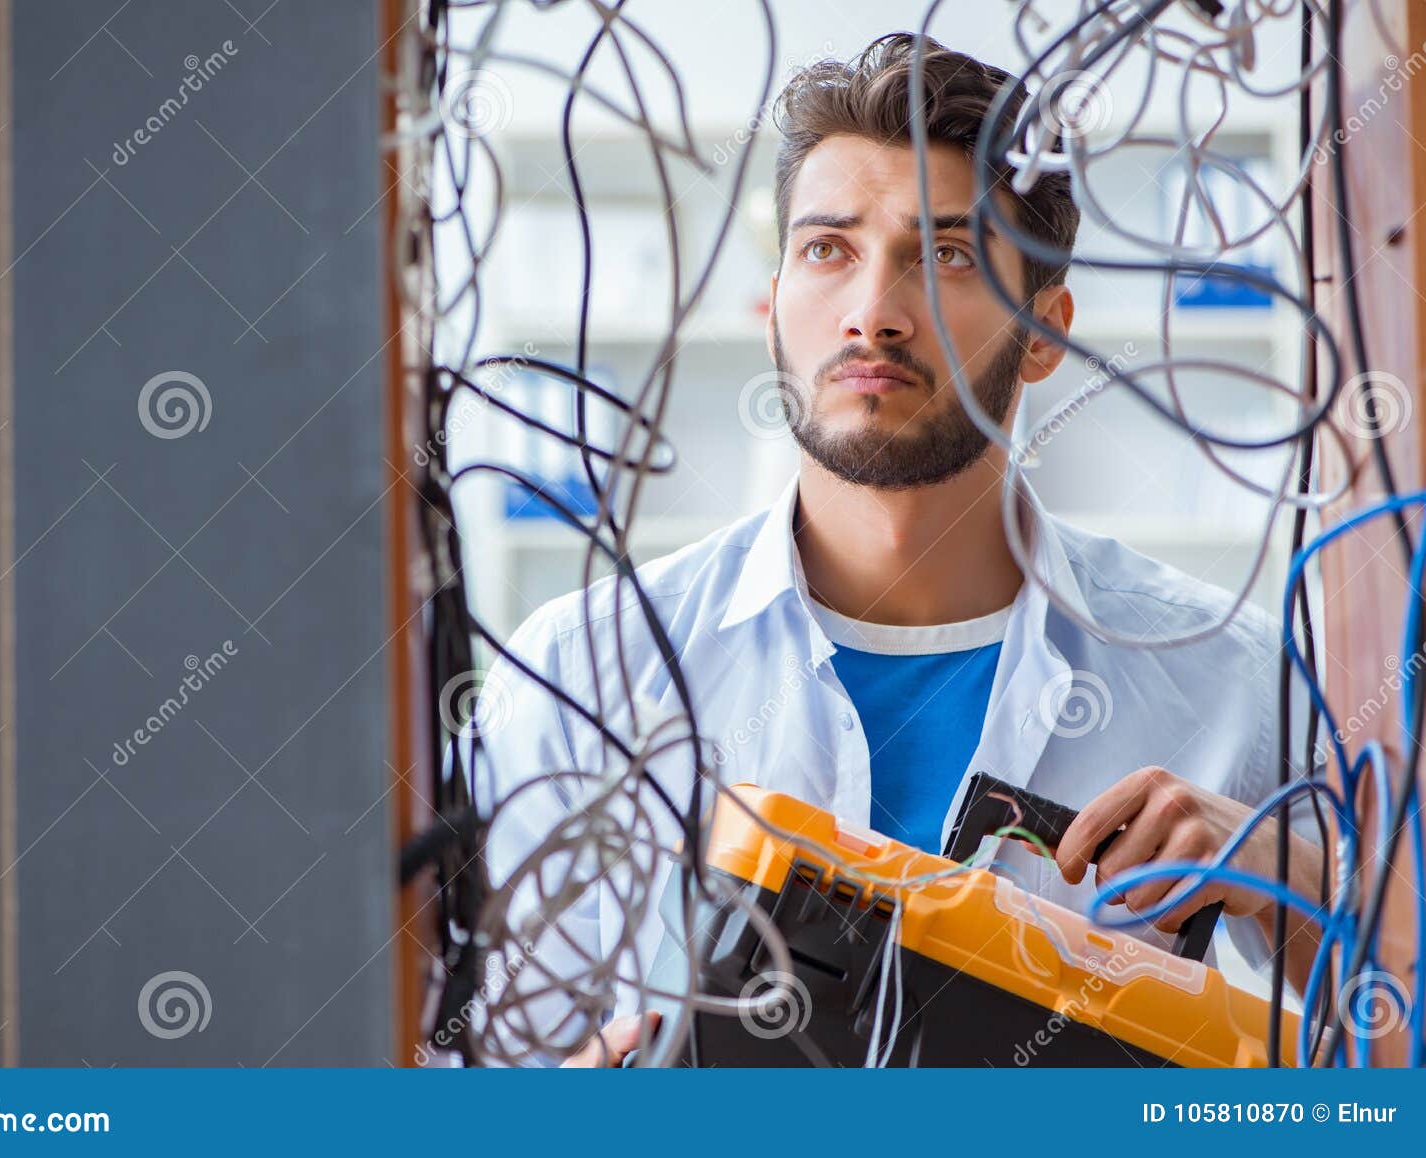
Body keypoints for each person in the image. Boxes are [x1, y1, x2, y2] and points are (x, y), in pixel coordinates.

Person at [463, 31, 1325, 1067]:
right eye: (826, 249)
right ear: (771, 306)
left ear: (1046, 330)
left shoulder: (1228, 678)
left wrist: (1292, 873)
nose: (872, 313)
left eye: (946, 255)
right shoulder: (576, 678)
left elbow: (1384, 1056)